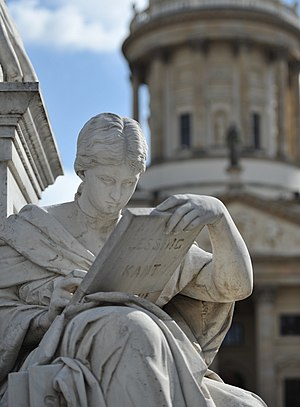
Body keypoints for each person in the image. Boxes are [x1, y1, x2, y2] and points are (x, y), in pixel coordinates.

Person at [0, 113, 266, 406]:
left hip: (148, 354)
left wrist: (220, 218)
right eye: (107, 180)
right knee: (134, 326)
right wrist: (47, 316)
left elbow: (236, 287)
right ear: (81, 170)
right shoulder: (31, 231)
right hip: (65, 351)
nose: (117, 194)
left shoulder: (148, 236)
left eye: (129, 183)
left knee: (245, 404)